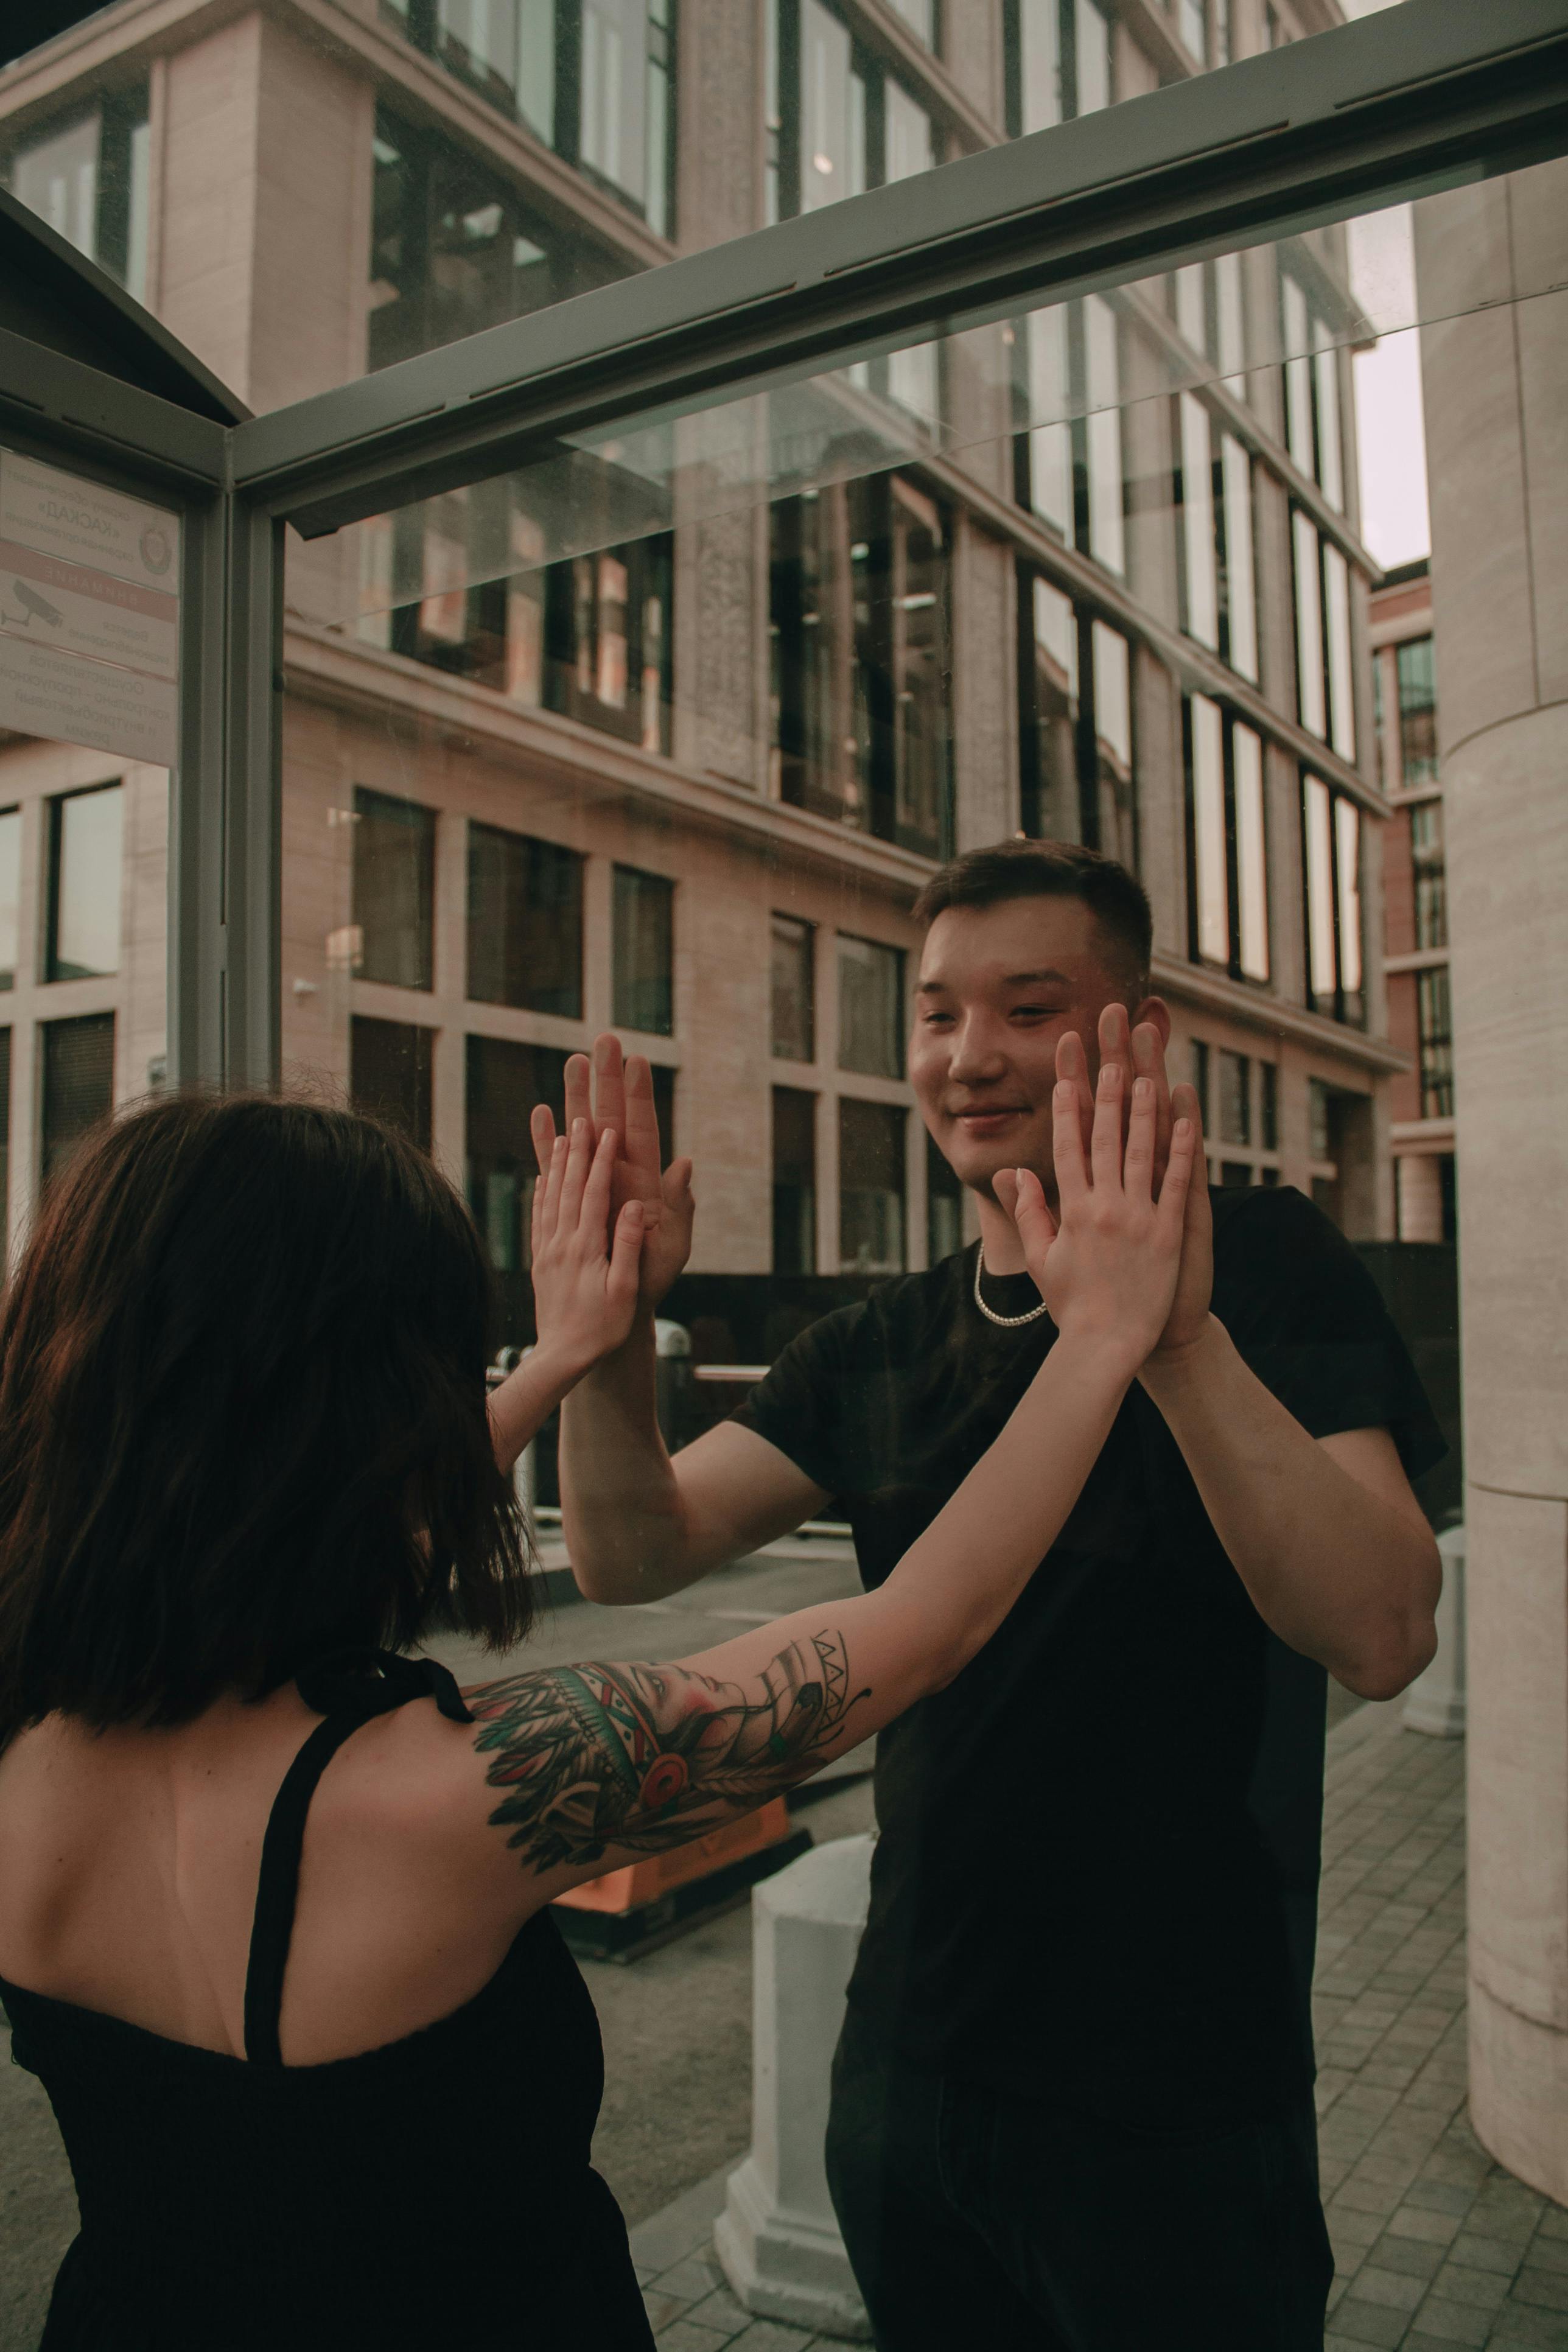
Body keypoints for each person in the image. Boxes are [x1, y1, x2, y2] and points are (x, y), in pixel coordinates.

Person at [0, 1058, 1194, 2350]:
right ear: (371, 1406)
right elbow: (925, 1623)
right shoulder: (458, 1799)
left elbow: (308, 1527)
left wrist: (570, 1350)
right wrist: (1099, 1337)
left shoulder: (28, 1735)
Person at [544, 838, 1446, 2352]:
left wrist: (1173, 1340)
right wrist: (612, 1331)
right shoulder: (879, 1341)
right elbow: (631, 1553)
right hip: (911, 2065)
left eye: (1029, 1010)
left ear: (1137, 1033)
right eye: (936, 1014)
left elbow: (1384, 1632)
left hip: (1179, 2095)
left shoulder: (1265, 1263)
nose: (968, 1057)